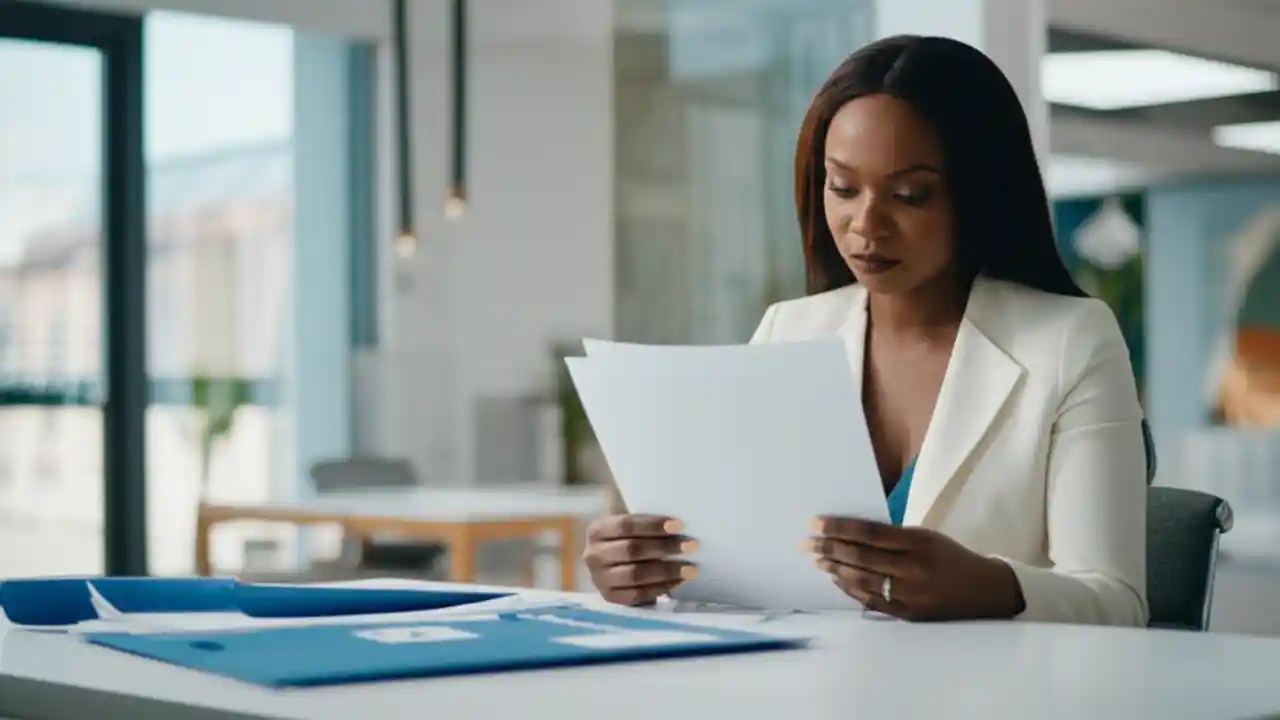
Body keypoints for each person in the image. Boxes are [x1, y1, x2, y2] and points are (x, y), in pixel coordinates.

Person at [583, 35, 1147, 626]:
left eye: (909, 195)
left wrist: (990, 586)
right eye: (843, 188)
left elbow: (1117, 602)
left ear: (980, 194)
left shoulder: (1071, 340)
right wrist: (643, 569)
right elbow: (739, 571)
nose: (865, 225)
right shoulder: (790, 330)